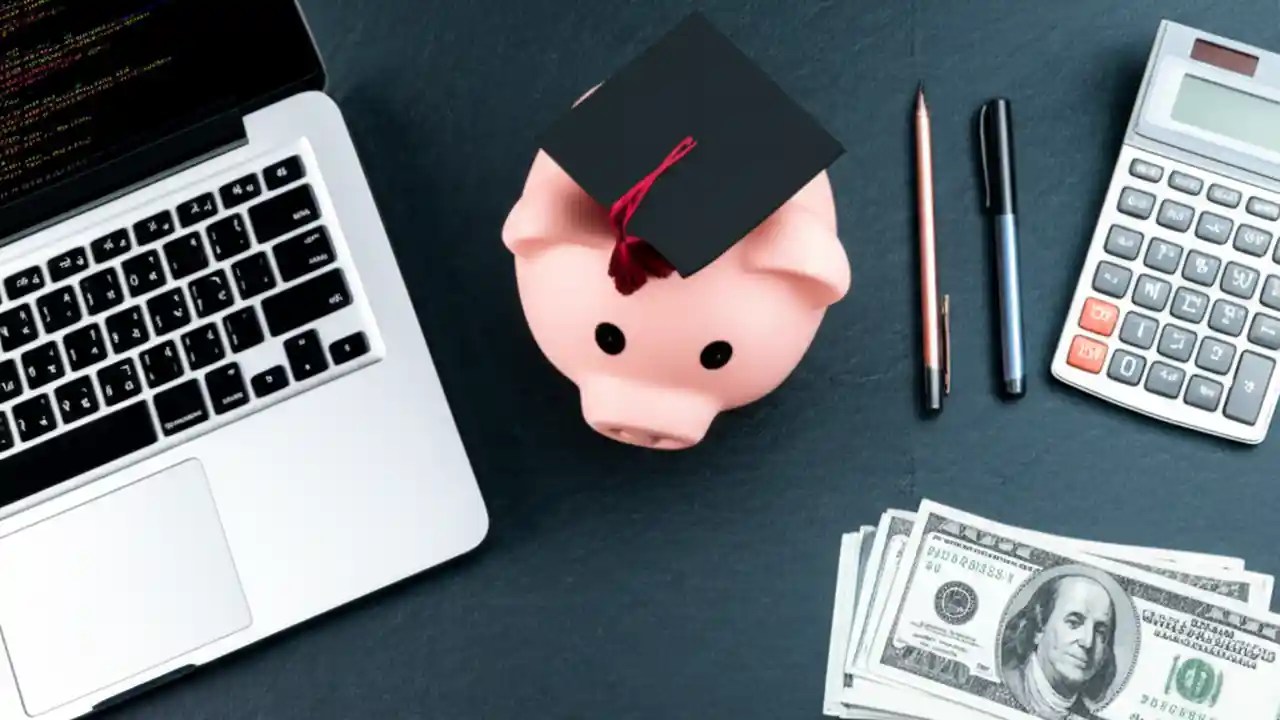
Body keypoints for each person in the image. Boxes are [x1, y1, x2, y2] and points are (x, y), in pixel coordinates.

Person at [1000, 574, 1117, 720]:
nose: (1087, 642)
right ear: (1039, 627)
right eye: (1074, 623)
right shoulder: (1003, 683)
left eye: (1100, 632)